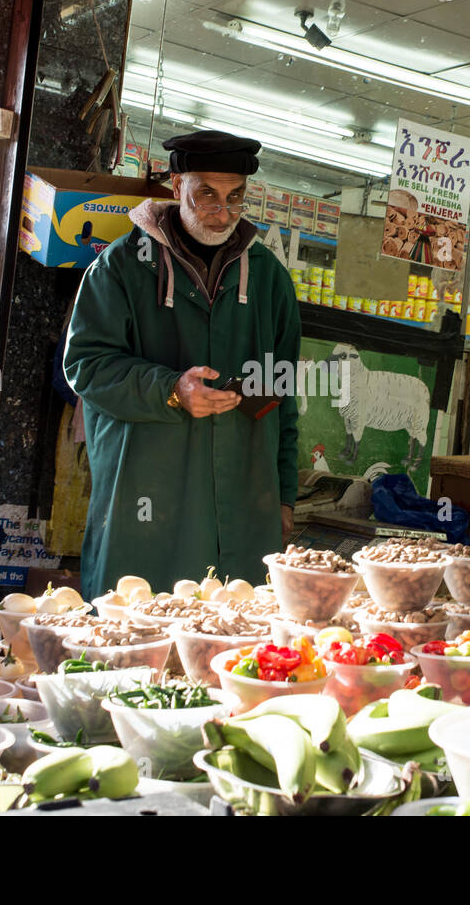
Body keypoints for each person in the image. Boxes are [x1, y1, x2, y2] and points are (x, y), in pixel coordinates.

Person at [63, 130, 301, 598]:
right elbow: (86, 365)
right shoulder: (121, 267)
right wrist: (171, 390)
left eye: (236, 198)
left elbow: (283, 394)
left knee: (233, 642)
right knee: (131, 631)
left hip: (243, 501)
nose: (223, 211)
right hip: (147, 496)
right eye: (207, 194)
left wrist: (285, 495)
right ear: (177, 188)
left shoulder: (270, 278)